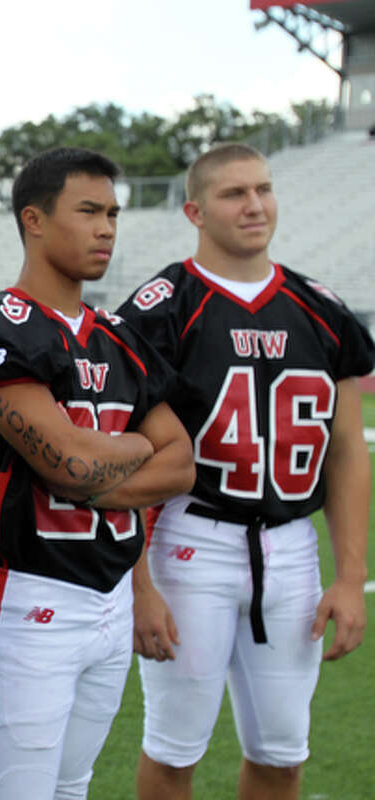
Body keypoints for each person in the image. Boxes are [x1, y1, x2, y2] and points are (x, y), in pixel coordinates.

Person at [117, 142, 372, 800]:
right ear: (195, 211)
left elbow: (346, 451)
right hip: (190, 541)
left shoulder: (323, 309)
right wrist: (139, 585)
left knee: (283, 752)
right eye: (235, 193)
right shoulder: (162, 309)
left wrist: (351, 576)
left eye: (263, 189)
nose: (255, 205)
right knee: (174, 749)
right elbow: (126, 459)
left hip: (290, 549)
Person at [0, 147, 194, 800]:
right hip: (32, 596)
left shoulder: (119, 336)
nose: (107, 228)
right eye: (89, 211)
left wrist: (99, 469)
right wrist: (129, 450)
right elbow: (68, 461)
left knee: (72, 788)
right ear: (33, 219)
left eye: (113, 213)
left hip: (112, 593)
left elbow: (181, 461)